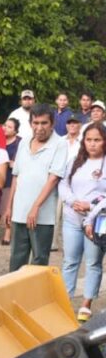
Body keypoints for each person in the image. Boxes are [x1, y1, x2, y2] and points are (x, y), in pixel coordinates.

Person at [9, 105, 69, 272]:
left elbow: (53, 179)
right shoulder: (24, 143)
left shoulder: (60, 144)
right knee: (16, 259)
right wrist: (9, 207)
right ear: (30, 123)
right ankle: (15, 297)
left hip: (43, 216)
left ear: (52, 123)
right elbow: (16, 176)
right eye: (36, 123)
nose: (39, 127)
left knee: (39, 261)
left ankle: (35, 298)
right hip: (19, 212)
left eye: (44, 123)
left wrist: (36, 207)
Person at [59, 123, 106, 320]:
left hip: (96, 222)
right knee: (70, 260)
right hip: (72, 218)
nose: (92, 144)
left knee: (93, 261)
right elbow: (63, 183)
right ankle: (64, 301)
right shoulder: (75, 161)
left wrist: (90, 207)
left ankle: (86, 303)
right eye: (89, 140)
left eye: (97, 140)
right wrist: (72, 201)